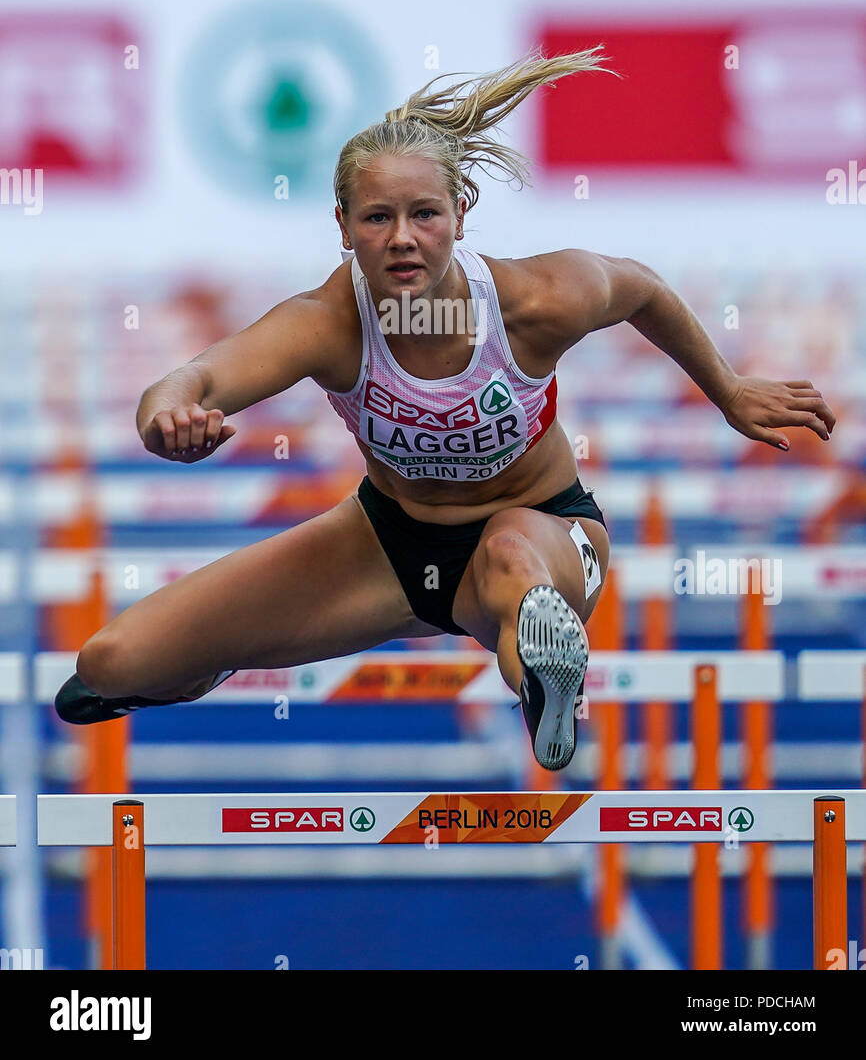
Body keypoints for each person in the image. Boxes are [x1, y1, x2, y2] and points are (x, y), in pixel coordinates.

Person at [54, 49, 835, 770]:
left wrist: (729, 391)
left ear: (460, 210)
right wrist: (169, 423)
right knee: (109, 666)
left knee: (511, 568)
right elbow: (189, 380)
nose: (402, 241)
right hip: (385, 545)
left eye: (424, 215)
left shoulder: (537, 300)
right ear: (342, 227)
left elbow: (643, 289)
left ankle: (542, 673)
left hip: (544, 529)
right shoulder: (328, 325)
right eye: (376, 219)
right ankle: (209, 658)